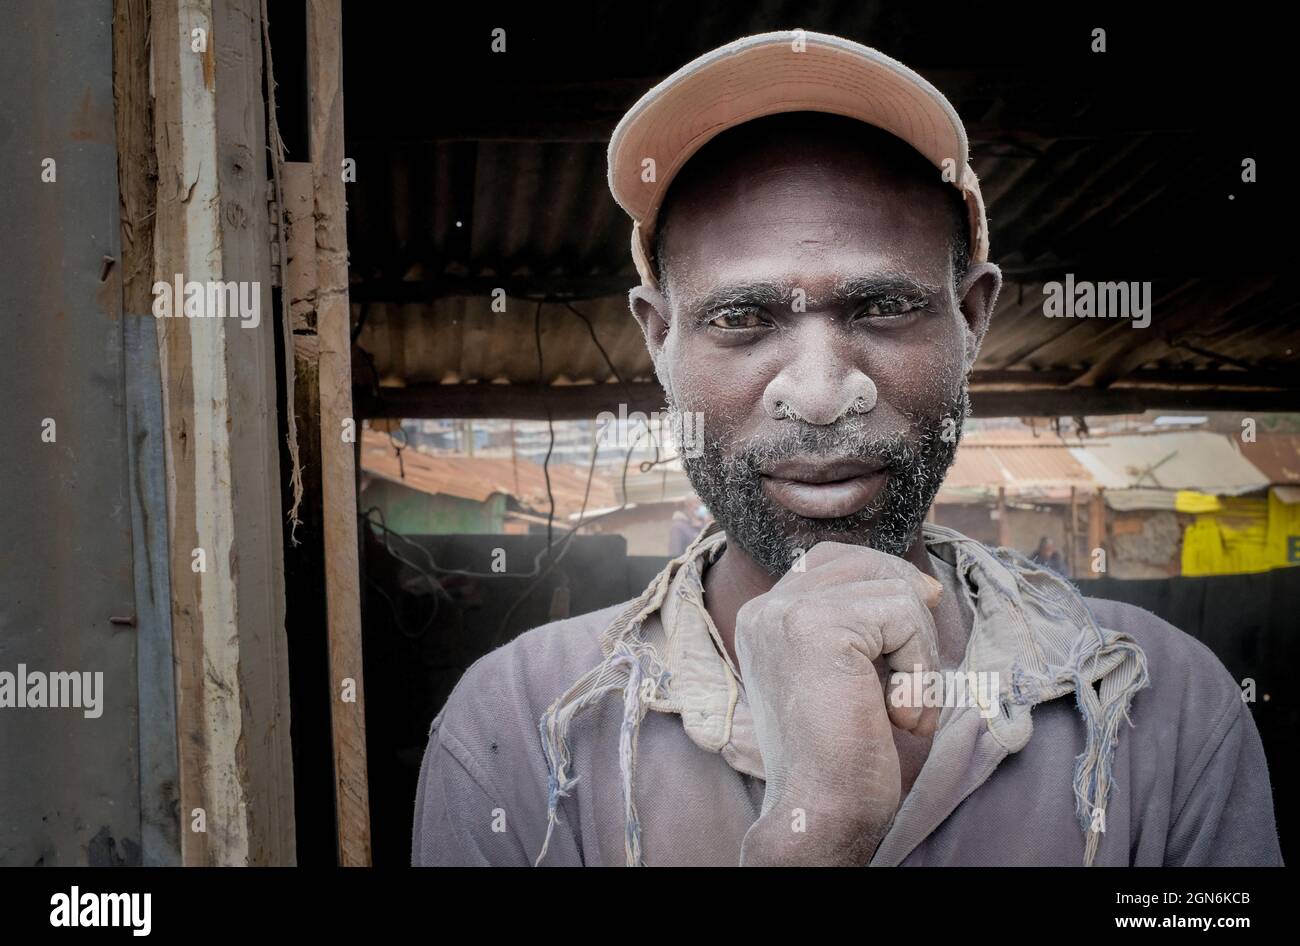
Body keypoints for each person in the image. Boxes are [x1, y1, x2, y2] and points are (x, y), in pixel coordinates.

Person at [413, 32, 1281, 866]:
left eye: (884, 308)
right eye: (742, 319)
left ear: (972, 319)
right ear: (659, 339)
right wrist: (814, 835)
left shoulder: (1156, 701)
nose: (823, 396)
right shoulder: (522, 730)